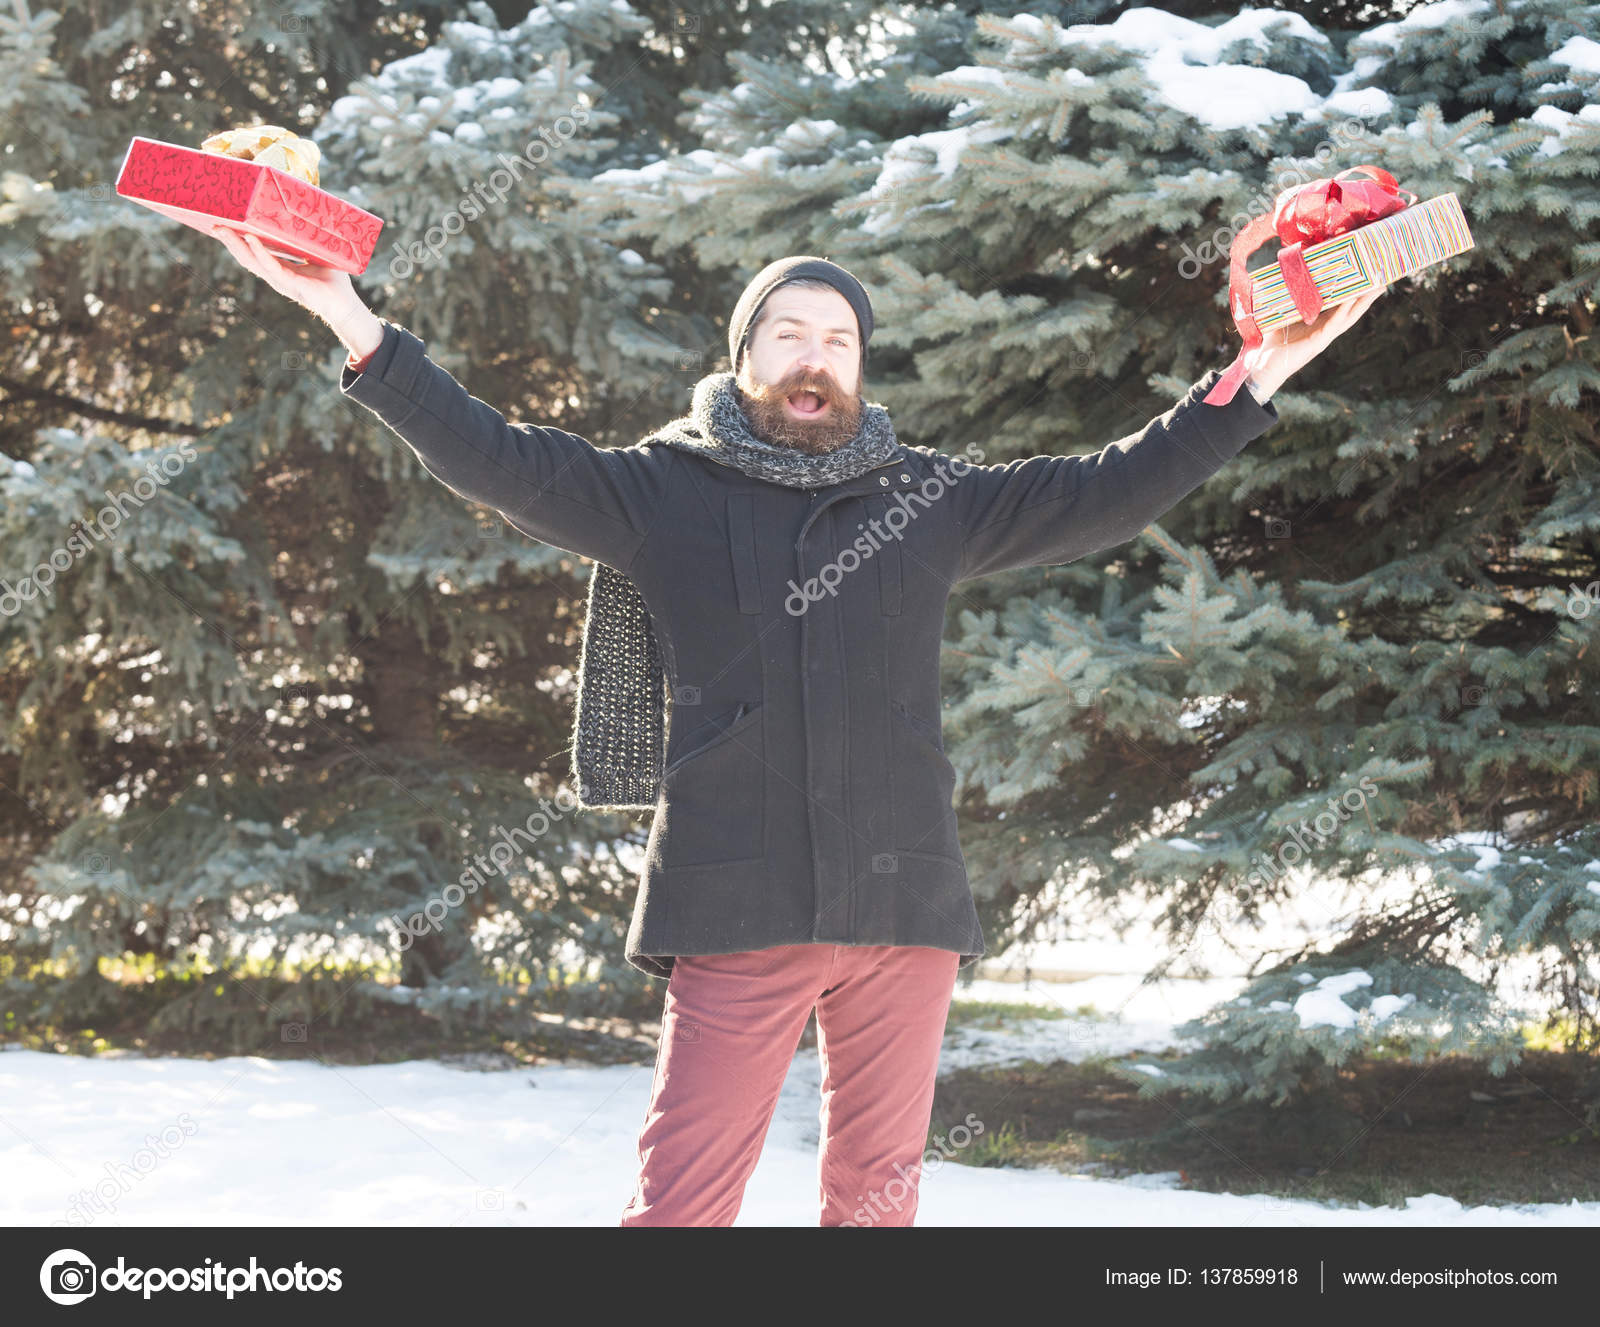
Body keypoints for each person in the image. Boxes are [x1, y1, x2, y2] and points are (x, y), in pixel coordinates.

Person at [208, 223, 1379, 1226]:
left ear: (861, 366)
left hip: (902, 904)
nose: (814, 361)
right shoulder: (659, 493)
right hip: (738, 900)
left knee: (878, 1200)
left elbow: (1108, 486)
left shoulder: (929, 500)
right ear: (745, 356)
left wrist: (1256, 375)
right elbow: (493, 456)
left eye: (838, 341)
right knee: (682, 1204)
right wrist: (348, 316)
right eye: (789, 336)